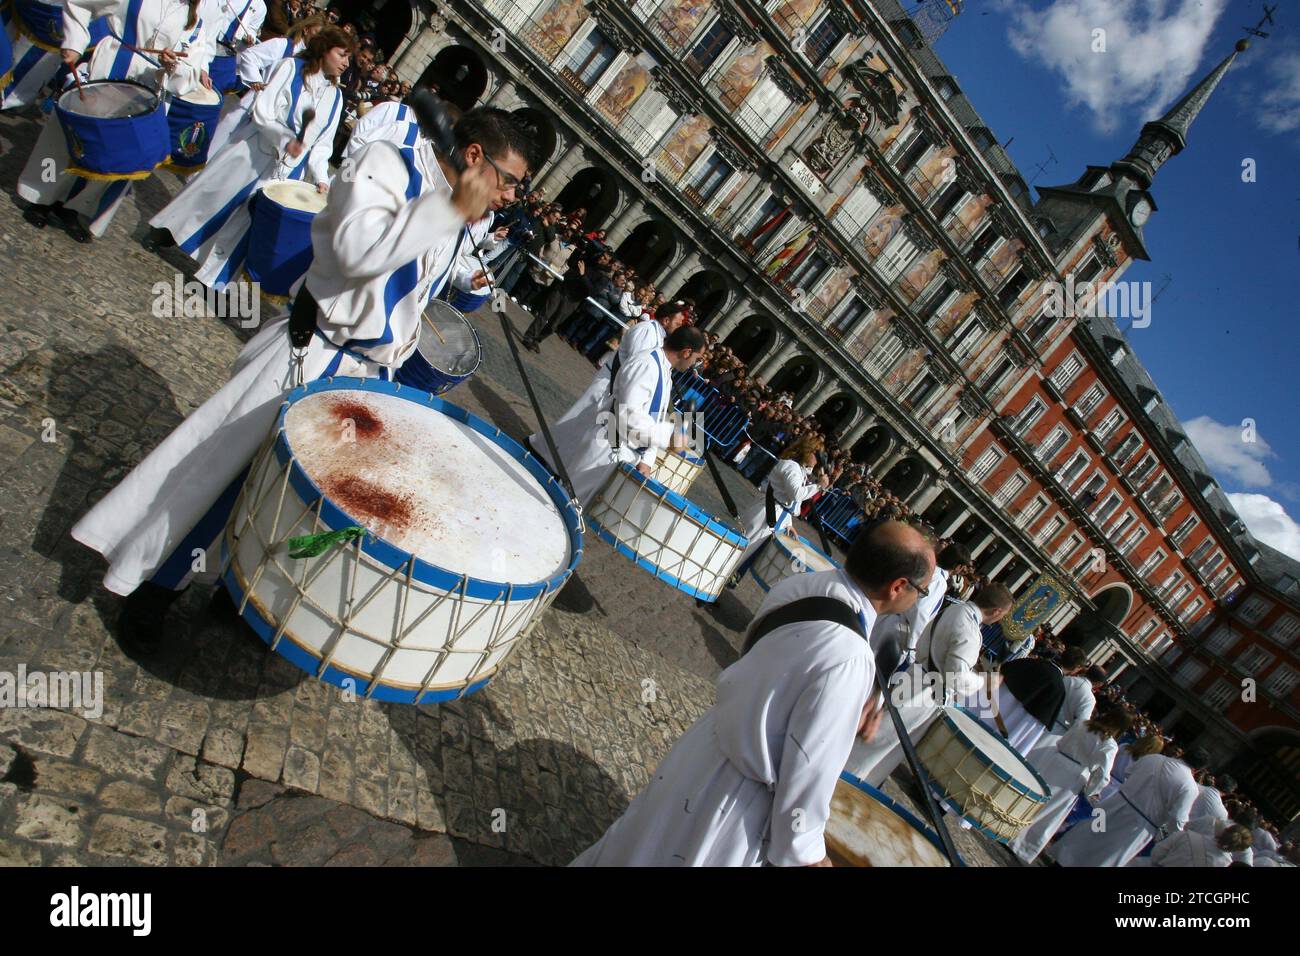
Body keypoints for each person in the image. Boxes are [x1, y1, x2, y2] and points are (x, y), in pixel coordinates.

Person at [70, 107, 529, 650]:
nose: (512, 196)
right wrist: (449, 209)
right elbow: (359, 254)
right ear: (475, 157)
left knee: (297, 502)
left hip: (365, 376)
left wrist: (468, 277)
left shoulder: (459, 212)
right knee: (228, 475)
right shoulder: (387, 164)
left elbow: (423, 279)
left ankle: (234, 591)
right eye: (511, 181)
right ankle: (153, 589)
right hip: (316, 353)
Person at [571, 521, 935, 866]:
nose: (919, 599)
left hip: (704, 747)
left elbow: (768, 667)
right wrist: (806, 853)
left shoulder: (802, 587)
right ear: (897, 586)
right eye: (922, 590)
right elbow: (808, 774)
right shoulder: (851, 658)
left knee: (636, 841)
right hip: (734, 801)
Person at [140, 26, 352, 287]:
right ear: (324, 49)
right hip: (253, 151)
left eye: (348, 58)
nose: (346, 63)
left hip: (285, 171)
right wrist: (285, 140)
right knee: (212, 196)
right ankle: (166, 232)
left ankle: (212, 281)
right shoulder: (289, 67)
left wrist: (321, 177)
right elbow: (263, 111)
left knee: (246, 222)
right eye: (342, 54)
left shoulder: (335, 96)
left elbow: (322, 145)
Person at [17, 0, 213, 241]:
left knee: (117, 152)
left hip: (149, 88)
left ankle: (75, 208)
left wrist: (173, 66)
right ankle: (41, 198)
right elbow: (79, 3)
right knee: (70, 138)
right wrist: (76, 42)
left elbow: (191, 71)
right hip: (109, 69)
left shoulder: (195, 22)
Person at [844, 580, 1012, 786]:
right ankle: (847, 780)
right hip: (925, 693)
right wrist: (985, 682)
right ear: (996, 611)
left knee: (885, 740)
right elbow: (956, 677)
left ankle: (853, 778)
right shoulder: (969, 629)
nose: (1000, 619)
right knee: (883, 742)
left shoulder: (955, 609)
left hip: (916, 677)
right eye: (1003, 615)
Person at [530, 326, 708, 508]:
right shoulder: (646, 364)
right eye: (696, 359)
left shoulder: (664, 372)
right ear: (686, 352)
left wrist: (646, 460)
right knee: (562, 504)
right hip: (607, 446)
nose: (694, 364)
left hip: (624, 452)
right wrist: (669, 437)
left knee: (576, 509)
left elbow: (654, 417)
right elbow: (627, 414)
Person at [1010, 708, 1128, 864]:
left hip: (1055, 760)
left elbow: (1062, 741)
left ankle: (1008, 828)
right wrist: (1091, 790)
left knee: (1033, 798)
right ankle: (1021, 844)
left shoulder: (1082, 724)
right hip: (1073, 776)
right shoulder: (1109, 744)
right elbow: (1103, 774)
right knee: (1048, 811)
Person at [1053, 746, 1205, 867]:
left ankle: (1060, 862)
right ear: (1198, 769)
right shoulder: (1189, 787)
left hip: (1115, 805)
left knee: (1086, 837)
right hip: (1138, 828)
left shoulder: (1154, 758)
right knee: (1106, 856)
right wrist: (1160, 834)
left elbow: (1128, 773)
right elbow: (1177, 821)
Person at [204, 13, 324, 158]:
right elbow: (250, 56)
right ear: (306, 30)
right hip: (252, 107)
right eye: (317, 33)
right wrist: (256, 81)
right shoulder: (283, 45)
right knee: (221, 146)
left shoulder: (311, 66)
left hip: (272, 122)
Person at [730, 449, 826, 584]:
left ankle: (723, 584)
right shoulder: (790, 466)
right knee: (742, 548)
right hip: (767, 512)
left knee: (753, 554)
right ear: (807, 450)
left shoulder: (801, 472)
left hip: (778, 516)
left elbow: (789, 504)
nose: (817, 461)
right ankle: (714, 582)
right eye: (815, 456)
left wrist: (788, 523)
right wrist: (818, 486)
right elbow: (796, 494)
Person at [993, 647, 1086, 754]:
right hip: (1011, 727)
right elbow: (1034, 725)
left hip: (993, 707)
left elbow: (1000, 673)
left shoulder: (1031, 662)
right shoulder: (1058, 688)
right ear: (1077, 667)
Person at [1149, 823, 1252, 868]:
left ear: (1225, 831)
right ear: (1238, 849)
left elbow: (1156, 853)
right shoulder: (1224, 865)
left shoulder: (1187, 835)